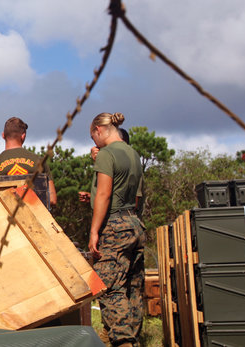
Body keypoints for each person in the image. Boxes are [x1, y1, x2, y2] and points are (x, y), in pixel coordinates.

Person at [87, 113, 144, 347]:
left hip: (115, 226)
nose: (94, 143)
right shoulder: (133, 154)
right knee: (132, 287)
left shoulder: (107, 154)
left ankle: (123, 342)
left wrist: (94, 231)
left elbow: (104, 193)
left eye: (93, 136)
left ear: (100, 130)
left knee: (108, 287)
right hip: (135, 225)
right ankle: (133, 338)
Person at [0, 117, 57, 206]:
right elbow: (52, 200)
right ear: (23, 136)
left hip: (6, 218)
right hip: (37, 217)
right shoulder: (40, 161)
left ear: (3, 135)